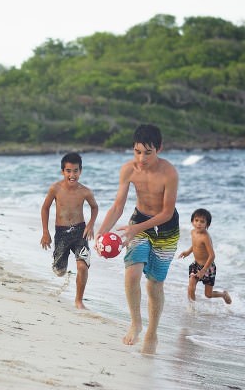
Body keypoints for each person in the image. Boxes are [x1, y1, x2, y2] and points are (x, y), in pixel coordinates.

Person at [96, 124, 180, 354]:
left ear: (159, 149)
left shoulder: (169, 173)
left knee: (154, 284)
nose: (141, 158)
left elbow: (167, 213)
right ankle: (135, 322)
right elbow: (117, 206)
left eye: (147, 153)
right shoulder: (129, 170)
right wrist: (101, 231)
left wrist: (136, 229)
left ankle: (152, 332)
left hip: (166, 228)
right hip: (140, 220)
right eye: (137, 151)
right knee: (132, 273)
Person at [40, 152, 98, 309]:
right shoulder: (55, 189)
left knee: (82, 266)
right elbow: (45, 208)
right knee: (59, 271)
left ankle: (79, 301)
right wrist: (46, 232)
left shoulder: (85, 191)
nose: (72, 175)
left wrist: (91, 225)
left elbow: (94, 207)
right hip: (61, 233)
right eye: (68, 171)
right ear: (62, 171)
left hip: (80, 232)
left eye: (76, 171)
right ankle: (60, 265)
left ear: (81, 171)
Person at [178, 208, 232, 304]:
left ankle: (223, 294)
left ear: (207, 224)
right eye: (196, 220)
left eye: (202, 222)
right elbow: (195, 245)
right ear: (192, 221)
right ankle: (192, 308)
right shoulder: (193, 232)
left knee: (208, 294)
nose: (198, 223)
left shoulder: (205, 237)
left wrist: (203, 270)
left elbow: (212, 256)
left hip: (208, 267)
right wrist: (188, 252)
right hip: (196, 265)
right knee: (191, 286)